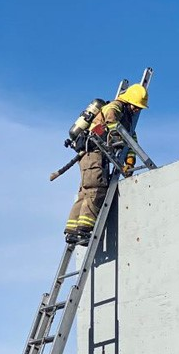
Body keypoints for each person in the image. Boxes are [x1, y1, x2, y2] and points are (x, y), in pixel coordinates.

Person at [63, 83, 148, 245]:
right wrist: (116, 138)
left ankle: (72, 230)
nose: (137, 110)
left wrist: (129, 161)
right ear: (129, 100)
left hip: (95, 154)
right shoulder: (115, 107)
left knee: (86, 191)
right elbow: (111, 120)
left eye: (140, 108)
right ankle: (83, 230)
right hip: (93, 151)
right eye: (136, 106)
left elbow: (131, 141)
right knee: (96, 189)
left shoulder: (127, 121)